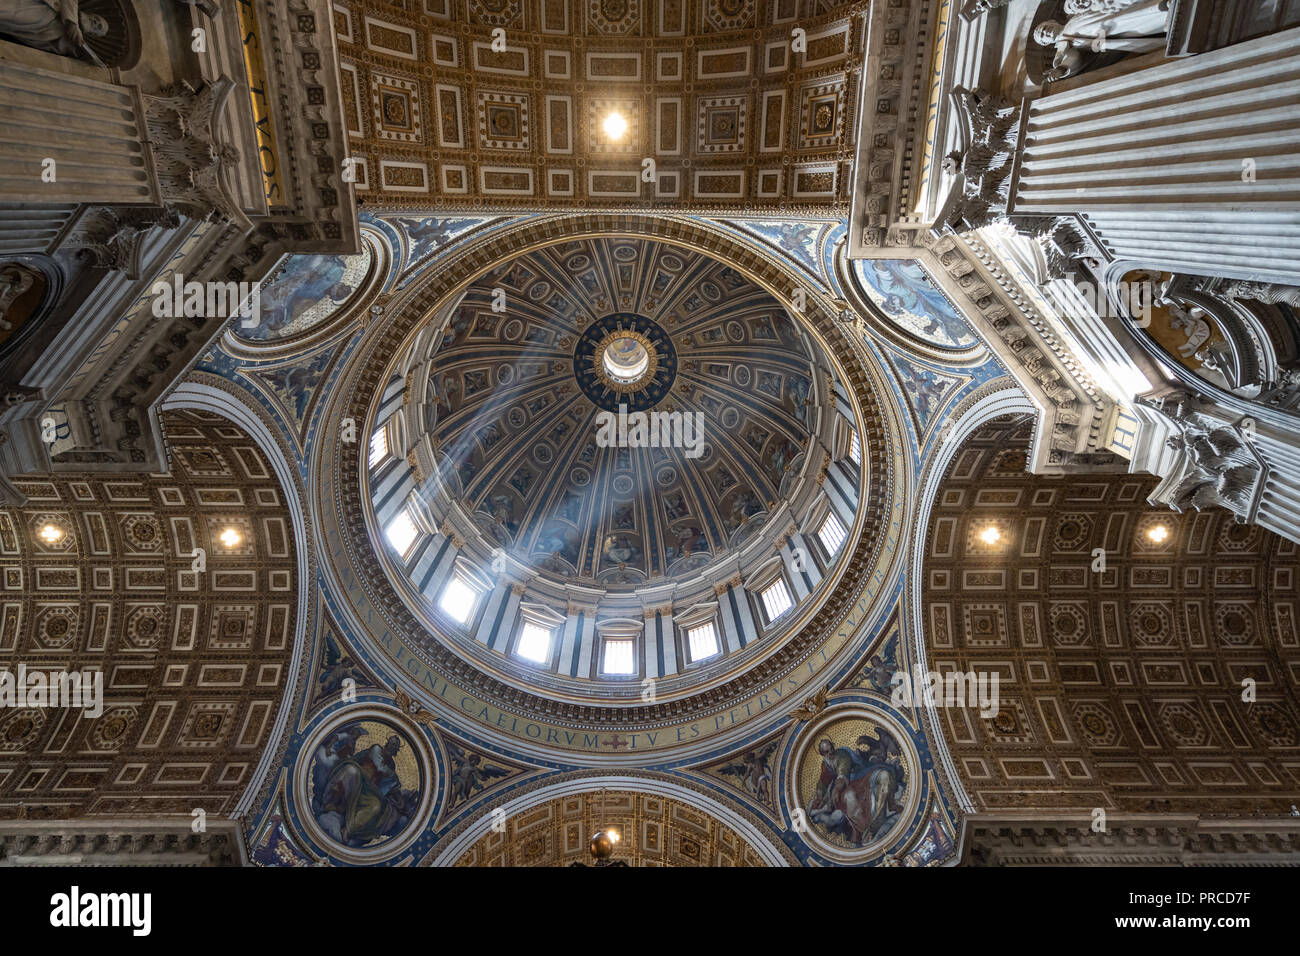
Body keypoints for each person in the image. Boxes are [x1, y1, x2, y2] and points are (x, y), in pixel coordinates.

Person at [1034, 0, 1171, 79]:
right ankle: (1166, 16)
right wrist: (1062, 69)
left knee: (1137, 9)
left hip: (1110, 12)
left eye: (1044, 28)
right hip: (1112, 31)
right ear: (1049, 43)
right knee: (1139, 23)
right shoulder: (1063, 45)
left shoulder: (1072, 16)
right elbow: (1073, 57)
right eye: (1043, 37)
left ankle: (1164, 5)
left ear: (1052, 22)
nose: (1045, 32)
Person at [0, 0, 108, 58]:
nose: (96, 22)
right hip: (43, 9)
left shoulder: (72, 44)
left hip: (31, 28)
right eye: (97, 19)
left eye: (98, 27)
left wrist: (79, 46)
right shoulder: (73, 7)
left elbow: (55, 48)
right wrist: (73, 23)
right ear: (91, 14)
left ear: (92, 35)